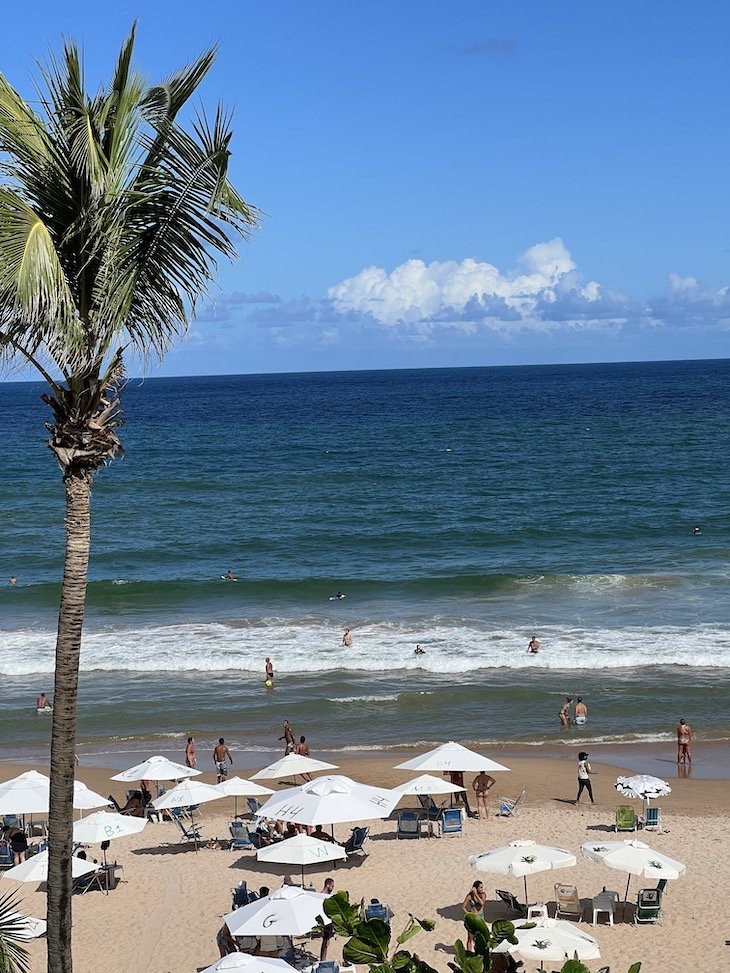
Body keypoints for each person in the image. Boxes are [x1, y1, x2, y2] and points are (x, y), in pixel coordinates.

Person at [462, 880, 487, 949]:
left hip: (481, 917)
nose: (482, 889)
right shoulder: (470, 896)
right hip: (473, 918)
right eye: (480, 887)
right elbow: (463, 907)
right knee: (470, 938)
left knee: (481, 937)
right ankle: (469, 953)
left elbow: (481, 903)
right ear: (476, 888)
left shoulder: (483, 895)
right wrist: (468, 915)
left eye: (482, 887)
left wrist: (475, 894)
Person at [320, 878, 336, 959]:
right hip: (325, 921)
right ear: (327, 885)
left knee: (327, 942)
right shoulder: (323, 896)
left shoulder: (326, 895)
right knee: (325, 942)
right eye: (332, 886)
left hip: (328, 921)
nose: (333, 888)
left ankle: (324, 958)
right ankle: (323, 959)